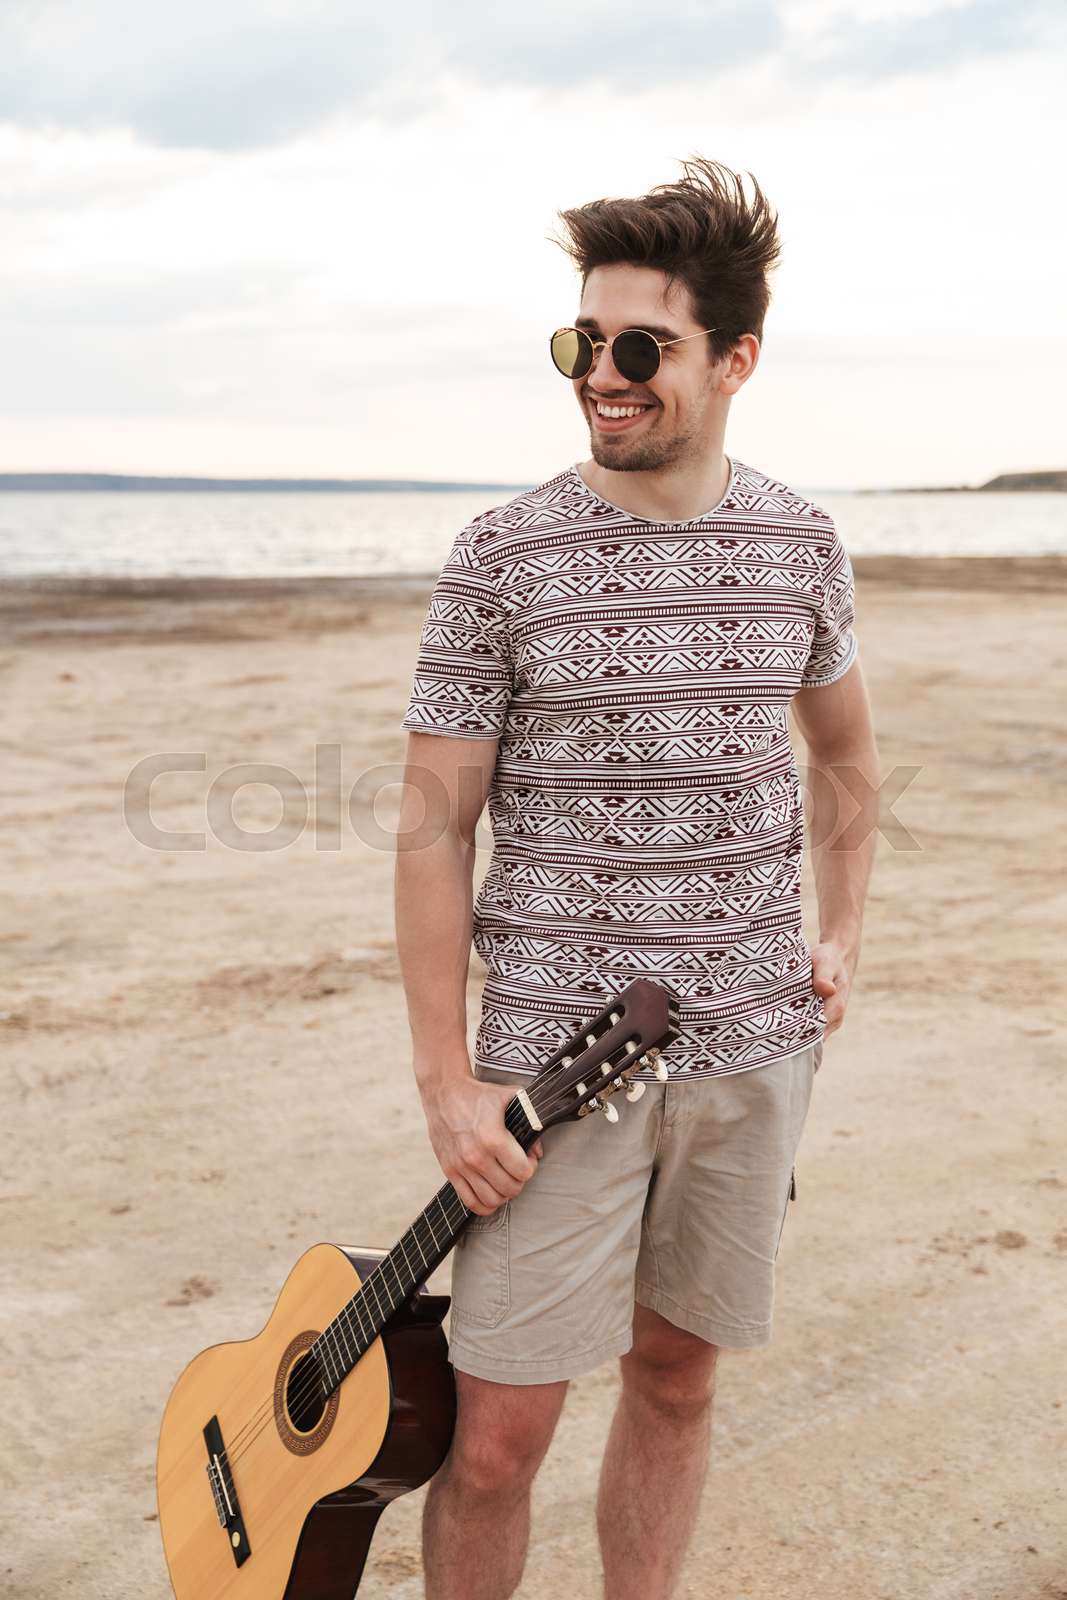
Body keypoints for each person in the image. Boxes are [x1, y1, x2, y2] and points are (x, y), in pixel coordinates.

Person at [394, 156, 879, 1600]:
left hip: (752, 1058)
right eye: (581, 345)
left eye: (639, 348)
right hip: (550, 1067)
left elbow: (849, 760)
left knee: (676, 1378)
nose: (600, 377)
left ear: (734, 360)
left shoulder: (802, 542)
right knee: (493, 1437)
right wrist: (445, 1081)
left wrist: (840, 932)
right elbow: (431, 823)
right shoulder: (501, 554)